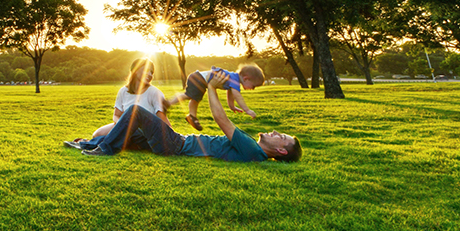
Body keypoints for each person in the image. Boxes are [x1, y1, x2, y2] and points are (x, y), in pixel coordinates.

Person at [82, 72, 301, 162]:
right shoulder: (253, 151)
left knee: (137, 112)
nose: (274, 132)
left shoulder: (251, 148)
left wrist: (212, 87)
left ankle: (103, 150)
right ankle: (89, 144)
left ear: (281, 150)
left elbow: (221, 120)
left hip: (178, 145)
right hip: (178, 143)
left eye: (281, 136)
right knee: (135, 134)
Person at [65, 58, 166, 150]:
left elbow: (162, 120)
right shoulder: (123, 91)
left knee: (124, 137)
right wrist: (120, 126)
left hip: (143, 130)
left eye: (151, 72)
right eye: (146, 70)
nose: (149, 74)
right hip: (124, 125)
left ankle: (85, 144)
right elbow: (116, 115)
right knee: (97, 134)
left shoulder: (154, 92)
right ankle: (120, 142)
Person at [166, 63, 265, 131]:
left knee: (195, 98)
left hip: (199, 78)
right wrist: (247, 110)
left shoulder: (233, 79)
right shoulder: (235, 80)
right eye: (253, 86)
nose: (253, 89)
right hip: (199, 78)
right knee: (188, 96)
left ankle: (192, 117)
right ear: (246, 78)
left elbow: (230, 94)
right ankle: (168, 103)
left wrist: (232, 107)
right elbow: (237, 96)